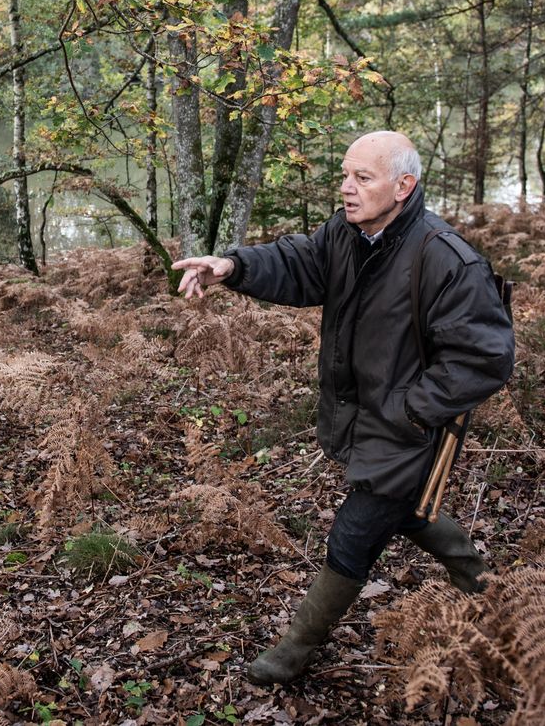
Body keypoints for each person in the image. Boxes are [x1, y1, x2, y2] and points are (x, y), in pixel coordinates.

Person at [171, 130, 515, 685]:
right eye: (345, 176)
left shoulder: (445, 259)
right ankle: (484, 587)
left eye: (363, 178)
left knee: (354, 534)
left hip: (409, 428)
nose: (347, 189)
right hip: (365, 414)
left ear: (403, 186)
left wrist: (411, 411)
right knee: (405, 511)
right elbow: (302, 263)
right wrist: (232, 267)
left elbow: (484, 358)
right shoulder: (349, 233)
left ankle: (294, 650)